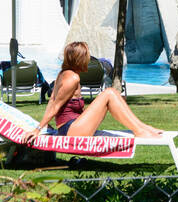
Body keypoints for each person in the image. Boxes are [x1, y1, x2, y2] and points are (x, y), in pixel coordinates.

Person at [23, 41, 163, 143]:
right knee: (109, 93)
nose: (89, 59)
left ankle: (142, 127)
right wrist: (38, 129)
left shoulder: (63, 74)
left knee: (112, 92)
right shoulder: (72, 78)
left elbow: (53, 100)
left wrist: (48, 126)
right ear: (79, 59)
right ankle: (140, 131)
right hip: (71, 131)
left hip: (70, 127)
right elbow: (55, 105)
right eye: (86, 57)